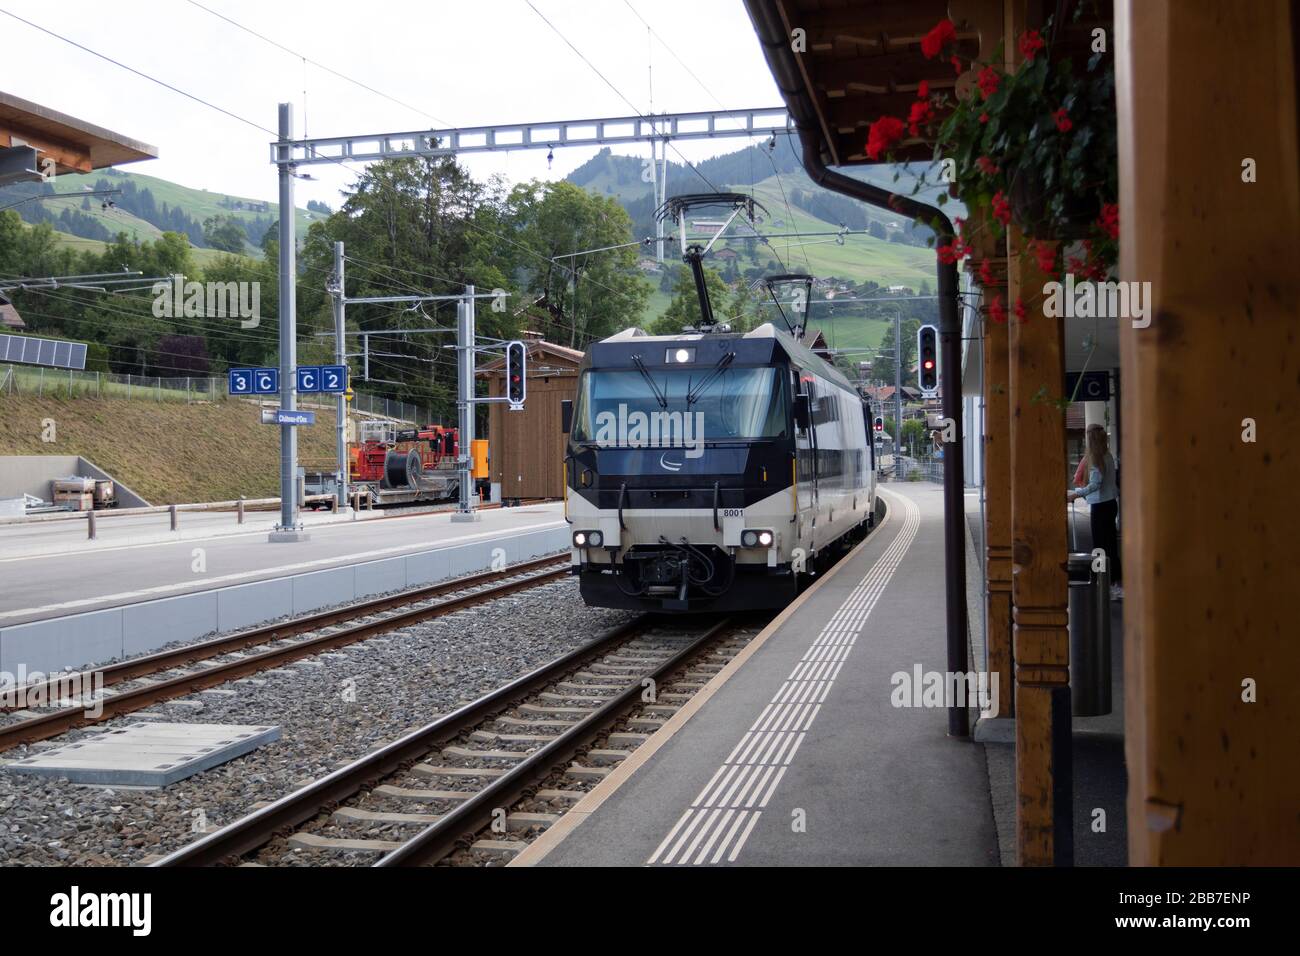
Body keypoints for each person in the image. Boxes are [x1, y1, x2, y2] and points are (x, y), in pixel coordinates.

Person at [1068, 424, 1122, 599]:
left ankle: (1103, 582)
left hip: (1100, 506)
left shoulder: (1096, 458)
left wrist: (1077, 494)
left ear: (1090, 439)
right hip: (1110, 503)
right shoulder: (1108, 455)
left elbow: (1095, 484)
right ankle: (1115, 581)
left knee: (1099, 546)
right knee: (1110, 544)